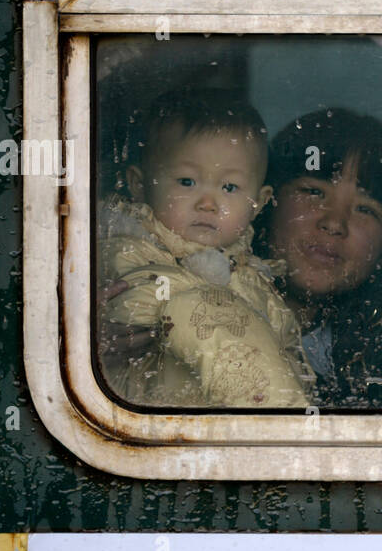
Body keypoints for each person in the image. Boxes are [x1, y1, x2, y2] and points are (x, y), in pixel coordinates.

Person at [98, 88, 314, 407]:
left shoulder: (253, 276)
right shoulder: (128, 247)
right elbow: (137, 302)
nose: (208, 203)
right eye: (187, 182)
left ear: (259, 203)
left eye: (229, 187)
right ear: (139, 185)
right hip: (149, 425)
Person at [256, 108, 382, 407]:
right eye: (313, 191)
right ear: (265, 201)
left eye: (365, 209)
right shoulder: (192, 319)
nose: (335, 223)